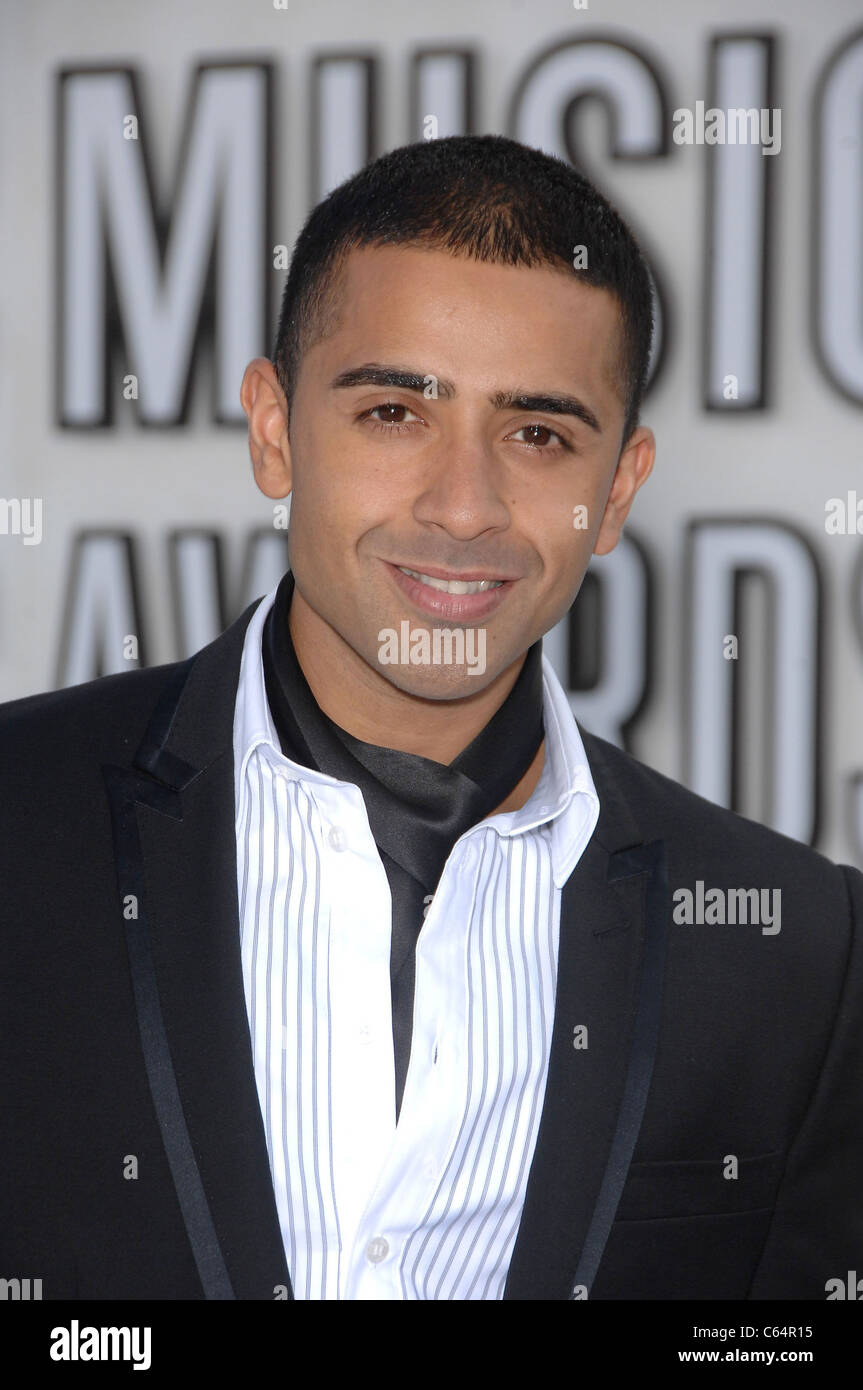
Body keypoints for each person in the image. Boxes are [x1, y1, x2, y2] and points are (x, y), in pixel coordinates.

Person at [1, 134, 861, 1302]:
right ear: (273, 428)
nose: (463, 509)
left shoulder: (798, 952)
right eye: (396, 412)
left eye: (537, 434)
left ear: (614, 490)